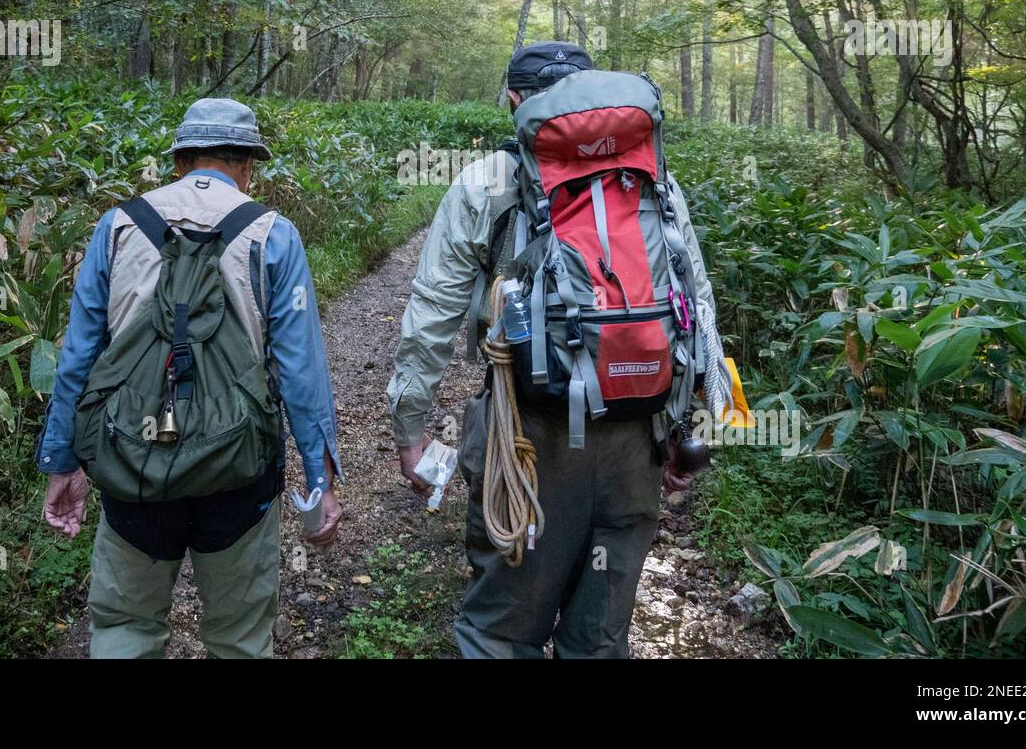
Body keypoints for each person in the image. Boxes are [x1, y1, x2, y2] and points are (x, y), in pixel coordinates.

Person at [385, 42, 717, 658]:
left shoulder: (486, 180)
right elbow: (695, 311)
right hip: (634, 436)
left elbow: (430, 315)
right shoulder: (653, 181)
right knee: (598, 637)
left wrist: (410, 430)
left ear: (515, 102)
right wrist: (690, 427)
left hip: (528, 439)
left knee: (502, 630)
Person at [37, 97, 342, 658]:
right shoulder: (273, 235)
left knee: (125, 628)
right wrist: (320, 481)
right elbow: (302, 372)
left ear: (180, 162)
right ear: (249, 164)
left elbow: (78, 358)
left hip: (132, 462)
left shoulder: (117, 226)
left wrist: (63, 462)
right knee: (240, 637)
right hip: (237, 471)